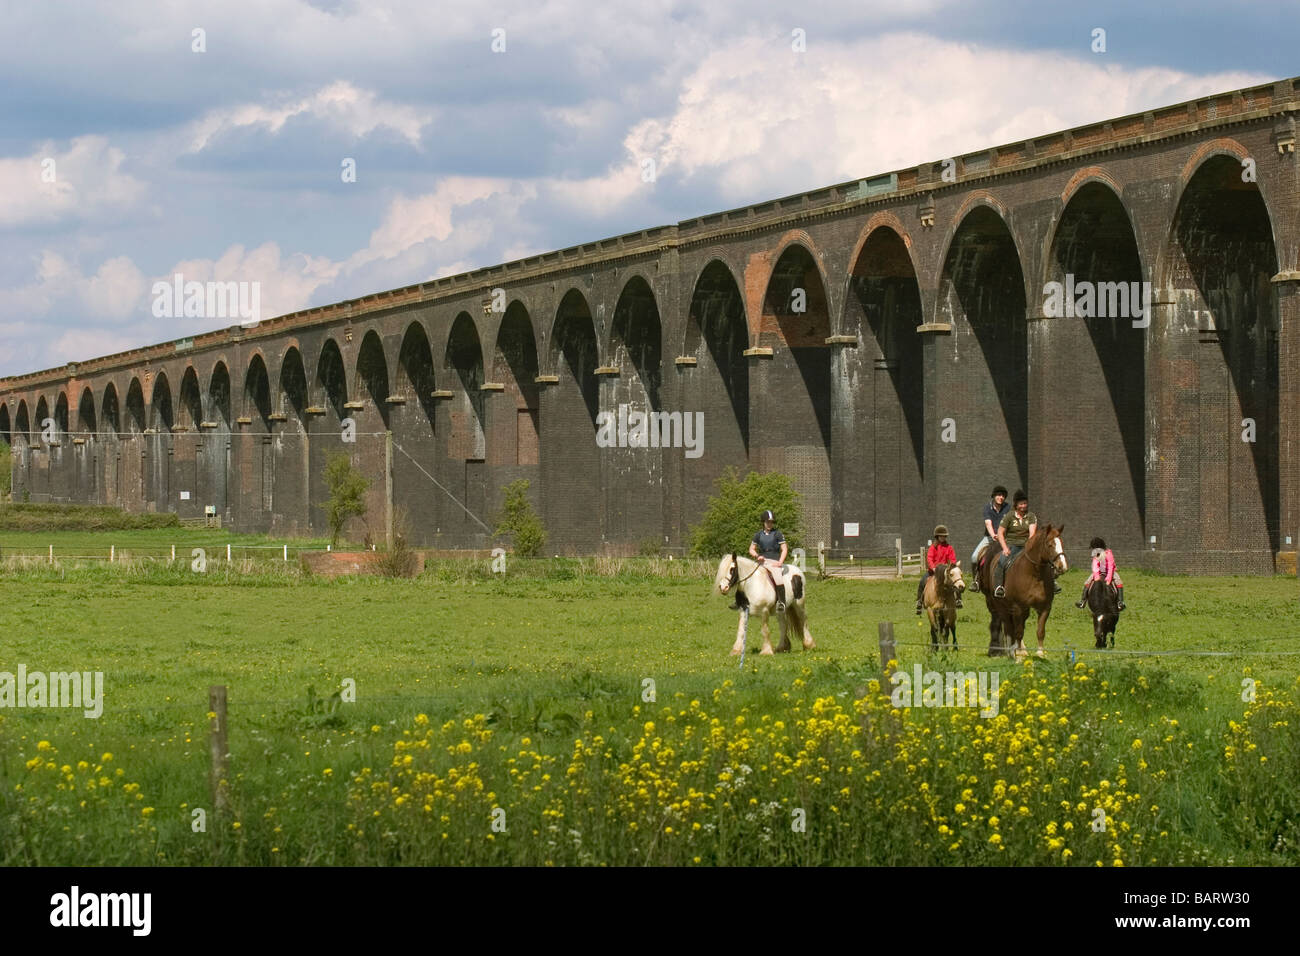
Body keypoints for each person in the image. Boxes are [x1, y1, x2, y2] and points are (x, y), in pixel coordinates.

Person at [730, 509, 788, 612]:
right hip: (761, 561)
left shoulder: (778, 534)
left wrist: (780, 562)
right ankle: (739, 601)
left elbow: (784, 549)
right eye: (767, 522)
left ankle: (781, 602)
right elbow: (751, 549)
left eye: (771, 522)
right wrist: (757, 556)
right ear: (763, 522)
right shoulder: (758, 535)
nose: (770, 524)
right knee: (744, 575)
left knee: (778, 578)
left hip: (774, 561)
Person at [992, 490, 1036, 598]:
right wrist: (1005, 548)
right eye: (1021, 504)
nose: (1023, 506)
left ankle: (1051, 583)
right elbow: (1000, 532)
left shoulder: (1031, 516)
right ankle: (999, 587)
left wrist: (1028, 546)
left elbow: (1032, 533)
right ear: (1016, 505)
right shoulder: (1009, 516)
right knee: (1002, 561)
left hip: (1026, 545)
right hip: (1012, 545)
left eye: (1025, 503)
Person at [968, 486, 1009, 593]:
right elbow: (988, 523)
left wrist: (1001, 535)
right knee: (974, 557)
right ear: (994, 496)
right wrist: (993, 535)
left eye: (1003, 496)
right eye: (999, 495)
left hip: (1004, 538)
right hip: (989, 538)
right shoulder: (987, 507)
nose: (1001, 497)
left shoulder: (1008, 507)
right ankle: (976, 581)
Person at [916, 524, 962, 614]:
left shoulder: (949, 548)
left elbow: (952, 559)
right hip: (933, 572)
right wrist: (933, 568)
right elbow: (929, 558)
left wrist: (951, 567)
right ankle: (919, 602)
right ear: (937, 536)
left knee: (955, 582)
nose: (943, 538)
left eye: (944, 536)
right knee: (922, 581)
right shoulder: (933, 547)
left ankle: (958, 600)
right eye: (941, 536)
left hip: (945, 572)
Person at [1075, 536, 1125, 610]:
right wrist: (1096, 575)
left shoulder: (1108, 552)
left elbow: (1111, 566)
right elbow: (1095, 566)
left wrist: (1109, 577)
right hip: (1099, 572)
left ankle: (1120, 602)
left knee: (1118, 581)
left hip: (1110, 572)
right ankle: (1083, 601)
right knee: (1087, 582)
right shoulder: (1096, 555)